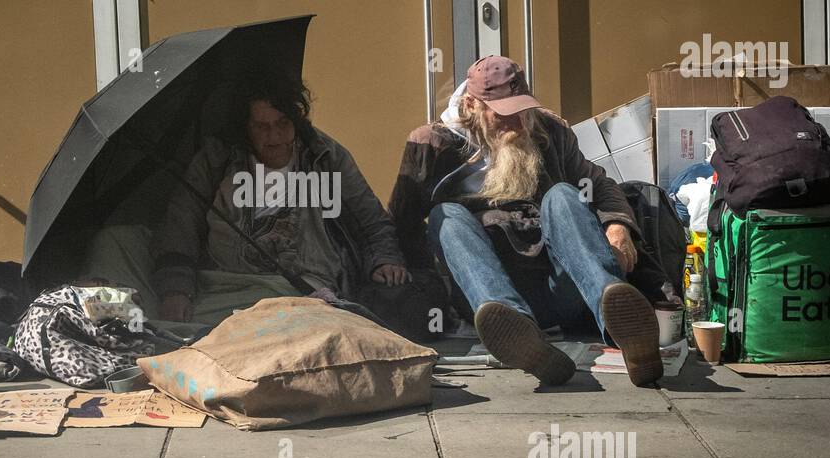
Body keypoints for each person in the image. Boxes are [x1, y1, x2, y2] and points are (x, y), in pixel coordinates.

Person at [389, 55, 666, 387]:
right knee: (445, 215)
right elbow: (402, 222)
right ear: (471, 104)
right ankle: (517, 335)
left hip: (561, 283)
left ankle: (621, 322)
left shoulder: (549, 131)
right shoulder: (432, 144)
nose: (516, 121)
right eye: (503, 113)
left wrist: (617, 225)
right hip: (489, 290)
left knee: (563, 194)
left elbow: (600, 184)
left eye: (521, 109)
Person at [152, 76, 409, 325]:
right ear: (245, 128)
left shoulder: (325, 155)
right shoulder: (217, 158)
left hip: (306, 286)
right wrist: (175, 290)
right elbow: (181, 223)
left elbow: (370, 219)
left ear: (297, 120)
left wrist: (385, 260)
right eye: (262, 127)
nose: (274, 137)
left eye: (283, 123)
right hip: (227, 284)